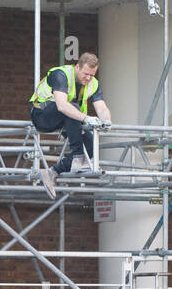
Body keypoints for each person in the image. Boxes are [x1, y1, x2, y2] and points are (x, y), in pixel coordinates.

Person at [29, 52, 112, 195]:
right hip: (42, 115)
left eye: (92, 75)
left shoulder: (93, 83)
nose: (88, 78)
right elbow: (61, 105)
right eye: (86, 73)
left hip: (69, 120)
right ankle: (77, 155)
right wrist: (86, 118)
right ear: (77, 67)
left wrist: (106, 121)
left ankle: (53, 172)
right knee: (72, 107)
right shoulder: (61, 75)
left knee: (92, 146)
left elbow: (102, 107)